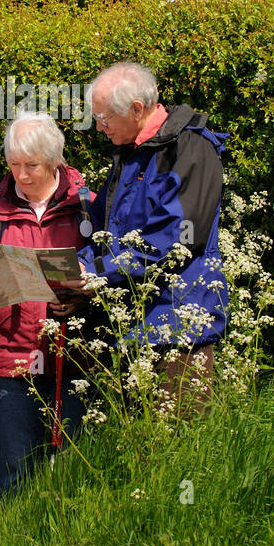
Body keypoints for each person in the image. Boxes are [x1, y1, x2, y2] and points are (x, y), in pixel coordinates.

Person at [78, 62, 228, 411]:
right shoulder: (131, 153)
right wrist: (78, 266)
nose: (99, 127)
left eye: (105, 118)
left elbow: (175, 240)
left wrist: (96, 272)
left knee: (178, 452)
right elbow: (106, 230)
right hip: (134, 329)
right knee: (136, 455)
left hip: (178, 329)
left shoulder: (189, 149)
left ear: (136, 109)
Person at [0, 110, 94, 495]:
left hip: (74, 354)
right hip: (12, 356)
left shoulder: (88, 205)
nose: (21, 175)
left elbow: (105, 264)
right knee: (16, 468)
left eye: (32, 165)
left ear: (55, 160)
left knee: (75, 467)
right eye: (14, 164)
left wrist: (79, 296)